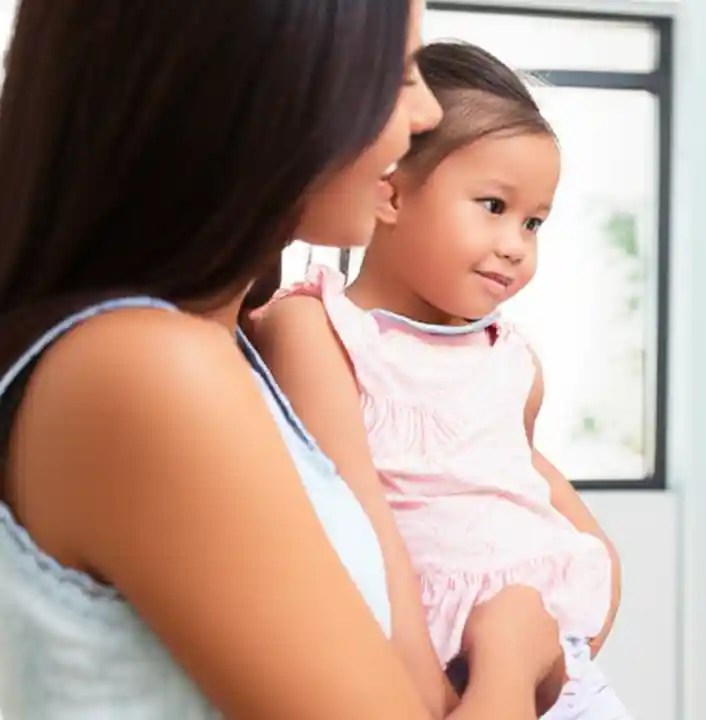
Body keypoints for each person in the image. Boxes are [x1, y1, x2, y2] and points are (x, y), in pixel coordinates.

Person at [0, 2, 568, 718]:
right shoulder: (150, 372)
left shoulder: (218, 348)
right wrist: (513, 660)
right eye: (396, 78)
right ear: (269, 83)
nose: (425, 113)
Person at [251, 40, 629, 718]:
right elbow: (357, 534)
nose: (517, 243)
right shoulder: (320, 330)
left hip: (553, 673)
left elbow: (567, 527)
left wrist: (551, 650)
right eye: (492, 205)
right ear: (390, 194)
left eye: (534, 222)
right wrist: (491, 676)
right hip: (420, 677)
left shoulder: (510, 360)